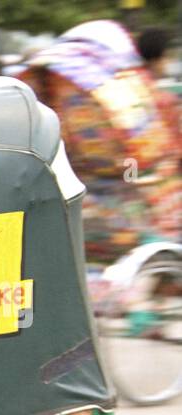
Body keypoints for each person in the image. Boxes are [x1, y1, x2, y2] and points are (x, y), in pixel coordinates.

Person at [18, 20, 182, 263]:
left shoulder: (62, 94)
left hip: (82, 208)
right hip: (140, 214)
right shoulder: (154, 99)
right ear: (160, 57)